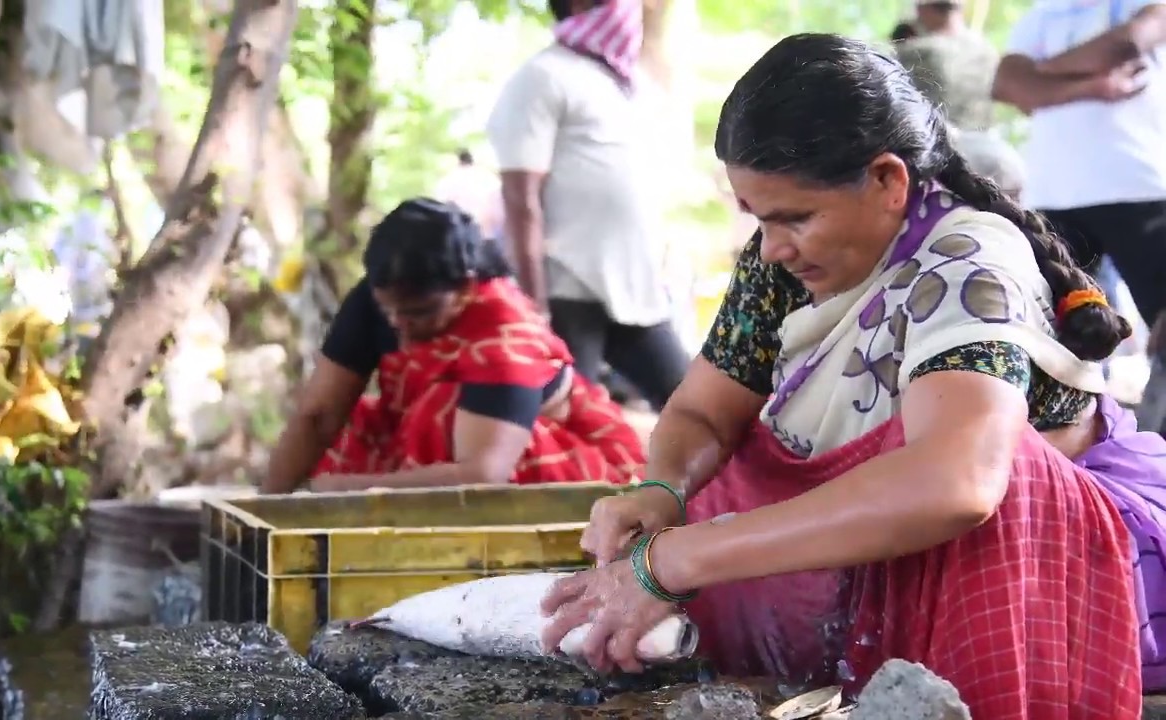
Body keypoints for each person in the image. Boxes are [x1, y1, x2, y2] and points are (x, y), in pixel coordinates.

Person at [539, 34, 1166, 718]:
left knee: (994, 467)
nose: (773, 246)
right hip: (899, 554)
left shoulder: (967, 263)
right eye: (759, 219)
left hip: (1054, 571)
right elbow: (701, 414)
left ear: (888, 180)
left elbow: (956, 487)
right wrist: (661, 489)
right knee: (738, 458)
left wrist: (678, 559)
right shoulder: (782, 257)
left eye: (795, 218)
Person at [262, 198, 645, 494]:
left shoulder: (505, 338)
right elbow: (318, 415)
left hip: (549, 464)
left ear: (465, 289)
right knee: (346, 428)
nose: (399, 324)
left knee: (437, 413)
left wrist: (345, 489)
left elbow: (482, 474)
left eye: (419, 313)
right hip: (440, 455)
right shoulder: (383, 298)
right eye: (389, 311)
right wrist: (268, 511)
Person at [486, 0, 690, 411]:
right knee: (571, 418)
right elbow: (520, 198)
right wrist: (534, 309)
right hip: (566, 289)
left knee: (691, 406)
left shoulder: (621, 82)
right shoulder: (543, 76)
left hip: (634, 292)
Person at [992, 0, 1166, 338]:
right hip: (1054, 195)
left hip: (1139, 185)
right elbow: (1007, 83)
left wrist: (1040, 70)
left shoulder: (1148, 5)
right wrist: (1092, 85)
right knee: (1053, 327)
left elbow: (1124, 46)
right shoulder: (1042, 14)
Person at [892, 0, 999, 132]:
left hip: (936, 141)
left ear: (922, 9)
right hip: (982, 140)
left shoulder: (918, 52)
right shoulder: (988, 52)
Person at [433, 148, 505, 245]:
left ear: (459, 161)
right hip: (486, 235)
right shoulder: (489, 178)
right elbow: (498, 210)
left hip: (460, 235)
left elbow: (442, 207)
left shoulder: (447, 181)